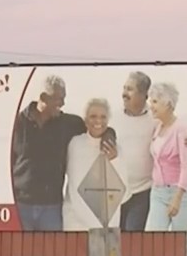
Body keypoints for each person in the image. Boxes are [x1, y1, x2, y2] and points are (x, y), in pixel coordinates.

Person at [11, 75, 116, 231]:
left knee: (53, 248)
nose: (63, 103)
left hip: (51, 208)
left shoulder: (69, 124)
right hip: (20, 206)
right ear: (43, 97)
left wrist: (109, 135)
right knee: (18, 248)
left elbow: (96, 127)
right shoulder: (16, 123)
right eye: (58, 99)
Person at [112, 71, 187, 231]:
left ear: (144, 95)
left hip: (142, 191)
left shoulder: (155, 118)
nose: (124, 93)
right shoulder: (113, 118)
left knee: (133, 237)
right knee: (112, 238)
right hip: (115, 191)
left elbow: (177, 130)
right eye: (124, 88)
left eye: (130, 89)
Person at [61, 99, 127, 230]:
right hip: (75, 222)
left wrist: (114, 160)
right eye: (93, 116)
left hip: (105, 226)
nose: (98, 121)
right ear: (85, 120)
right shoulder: (74, 144)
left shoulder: (116, 149)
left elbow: (124, 192)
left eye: (103, 117)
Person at [144, 82, 187, 231]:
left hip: (182, 194)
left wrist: (177, 198)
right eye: (151, 101)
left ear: (168, 104)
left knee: (177, 241)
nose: (151, 106)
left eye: (155, 102)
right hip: (158, 192)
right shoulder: (157, 127)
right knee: (155, 239)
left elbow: (186, 166)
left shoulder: (181, 129)